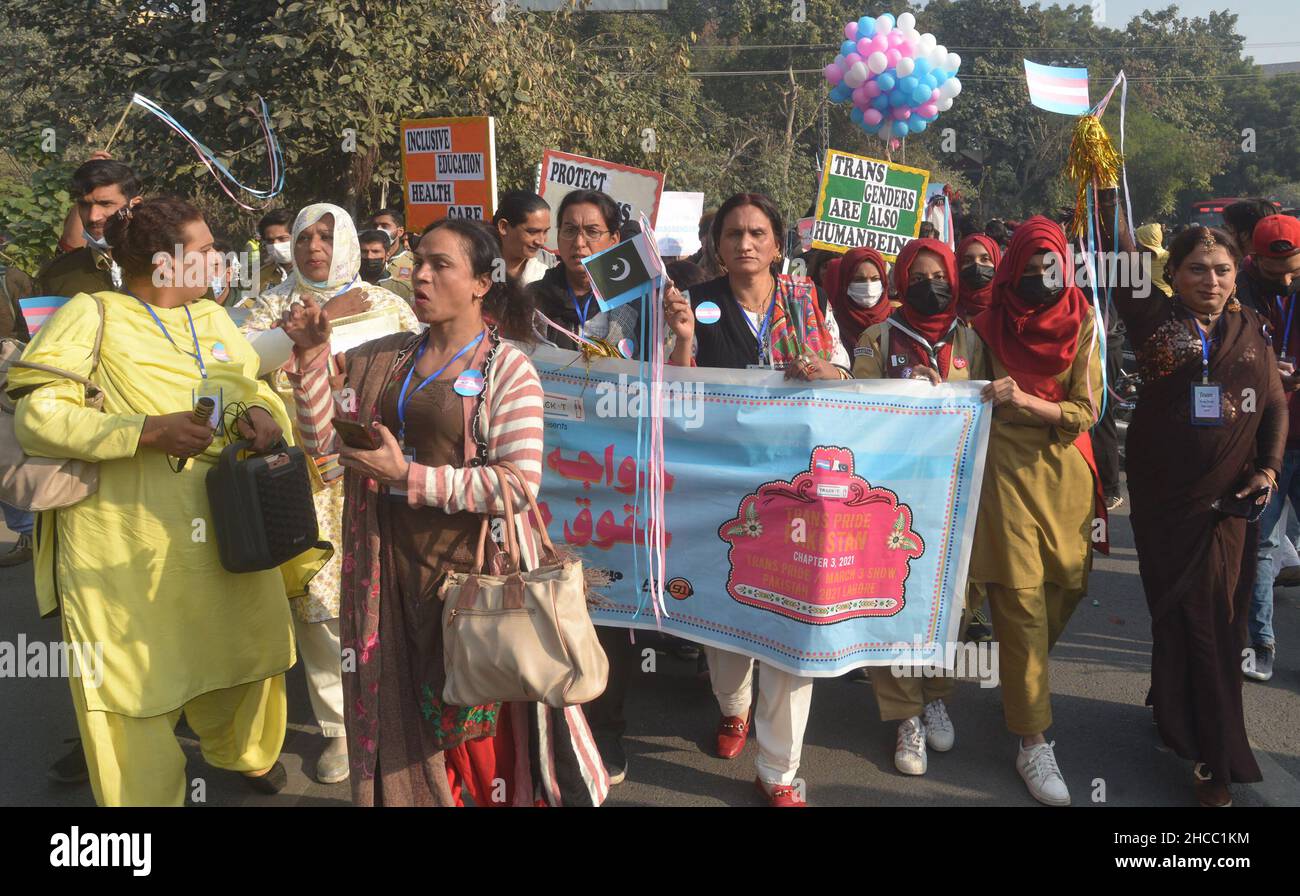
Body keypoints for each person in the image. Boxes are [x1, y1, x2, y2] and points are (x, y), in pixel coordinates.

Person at [282, 218, 606, 806]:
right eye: (419, 263)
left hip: (468, 579)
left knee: (471, 739)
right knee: (399, 720)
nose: (421, 276)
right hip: (384, 570)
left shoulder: (509, 370)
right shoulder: (382, 358)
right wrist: (309, 355)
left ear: (482, 283)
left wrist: (407, 477)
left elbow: (517, 486)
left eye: (441, 265)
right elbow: (322, 443)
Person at [8, 196, 296, 806]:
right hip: (124, 541)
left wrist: (262, 418)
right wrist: (143, 431)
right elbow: (39, 419)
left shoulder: (213, 318)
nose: (221, 260)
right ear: (166, 264)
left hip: (230, 530)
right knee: (132, 679)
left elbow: (251, 388)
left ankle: (240, 753)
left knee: (246, 647)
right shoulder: (93, 313)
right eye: (207, 250)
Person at [664, 192, 850, 807]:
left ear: (777, 243)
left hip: (798, 488)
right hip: (719, 483)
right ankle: (733, 706)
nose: (745, 243)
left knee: (794, 622)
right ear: (717, 244)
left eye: (757, 233)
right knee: (725, 608)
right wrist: (683, 339)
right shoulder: (693, 301)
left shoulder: (807, 299)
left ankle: (778, 769)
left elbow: (845, 373)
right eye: (733, 233)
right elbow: (675, 394)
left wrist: (826, 370)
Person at [1099, 195, 1285, 807]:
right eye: (1197, 269)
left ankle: (1214, 756)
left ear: (1237, 272)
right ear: (1173, 275)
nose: (1211, 280)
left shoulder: (1252, 328)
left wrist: (1269, 468)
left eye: (1222, 269)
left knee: (1215, 625)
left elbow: (1274, 403)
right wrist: (1103, 182)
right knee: (1178, 613)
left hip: (1231, 506)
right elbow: (1118, 254)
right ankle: (1180, 713)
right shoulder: (1152, 317)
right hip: (1166, 504)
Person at [240, 203, 420, 785]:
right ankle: (339, 727)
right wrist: (318, 321)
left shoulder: (387, 303)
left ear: (345, 242)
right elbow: (239, 363)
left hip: (378, 468)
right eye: (303, 238)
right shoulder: (268, 306)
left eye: (326, 236)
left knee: (381, 590)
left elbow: (415, 375)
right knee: (319, 604)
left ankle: (390, 705)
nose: (313, 247)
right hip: (305, 475)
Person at [968, 216, 1105, 807]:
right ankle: (1032, 740)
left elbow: (1086, 409)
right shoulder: (983, 326)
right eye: (1030, 266)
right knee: (1021, 601)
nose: (1042, 277)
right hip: (1003, 472)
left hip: (1067, 474)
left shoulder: (1085, 320)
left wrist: (1025, 399)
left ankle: (1021, 680)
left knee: (1064, 590)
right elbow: (960, 394)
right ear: (1011, 267)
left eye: (1052, 266)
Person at [852, 238, 990, 776]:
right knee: (892, 597)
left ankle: (935, 696)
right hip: (894, 492)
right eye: (917, 277)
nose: (929, 286)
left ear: (953, 281)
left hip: (954, 496)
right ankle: (905, 714)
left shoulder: (973, 339)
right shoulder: (877, 337)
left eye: (939, 277)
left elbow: (989, 402)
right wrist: (906, 393)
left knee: (950, 600)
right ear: (901, 282)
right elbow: (858, 407)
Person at [1245, 214, 1300, 684]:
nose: (1284, 280)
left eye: (1293, 271)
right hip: (1263, 443)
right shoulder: (1237, 292)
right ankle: (1260, 644)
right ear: (1254, 259)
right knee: (1262, 547)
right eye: (1274, 271)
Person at [529, 189, 641, 356]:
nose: (579, 242)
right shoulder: (531, 300)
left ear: (613, 240)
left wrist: (680, 339)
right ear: (558, 236)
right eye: (570, 230)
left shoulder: (633, 303)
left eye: (592, 232)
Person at [35, 159, 142, 298]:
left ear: (135, 205)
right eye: (84, 205)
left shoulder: (162, 265)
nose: (93, 217)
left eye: (105, 204)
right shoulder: (57, 274)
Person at [826, 246, 891, 352]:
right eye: (859, 279)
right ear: (845, 283)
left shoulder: (897, 321)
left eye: (875, 279)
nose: (868, 286)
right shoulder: (831, 324)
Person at [492, 190, 551, 284]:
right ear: (503, 227)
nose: (541, 241)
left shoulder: (546, 274)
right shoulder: (475, 265)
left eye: (545, 232)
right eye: (532, 232)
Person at [358, 228, 414, 303]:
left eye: (375, 252)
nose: (369, 256)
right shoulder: (351, 284)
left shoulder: (402, 289)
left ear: (387, 255)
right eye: (364, 252)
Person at [955, 233, 1001, 321]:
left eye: (985, 259)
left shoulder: (1007, 309)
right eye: (967, 261)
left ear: (996, 262)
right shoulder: (950, 309)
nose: (976, 266)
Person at [367, 208, 414, 287]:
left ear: (400, 232)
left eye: (385, 226)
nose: (378, 230)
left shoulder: (413, 262)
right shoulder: (363, 259)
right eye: (375, 226)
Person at [255, 208, 295, 294]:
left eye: (282, 238)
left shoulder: (314, 273)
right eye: (270, 240)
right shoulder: (261, 275)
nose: (275, 244)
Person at [1136, 223, 1172, 298]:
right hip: (1143, 301)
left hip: (1167, 301)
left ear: (1147, 242)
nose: (1137, 243)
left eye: (1139, 240)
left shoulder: (1169, 259)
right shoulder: (1137, 260)